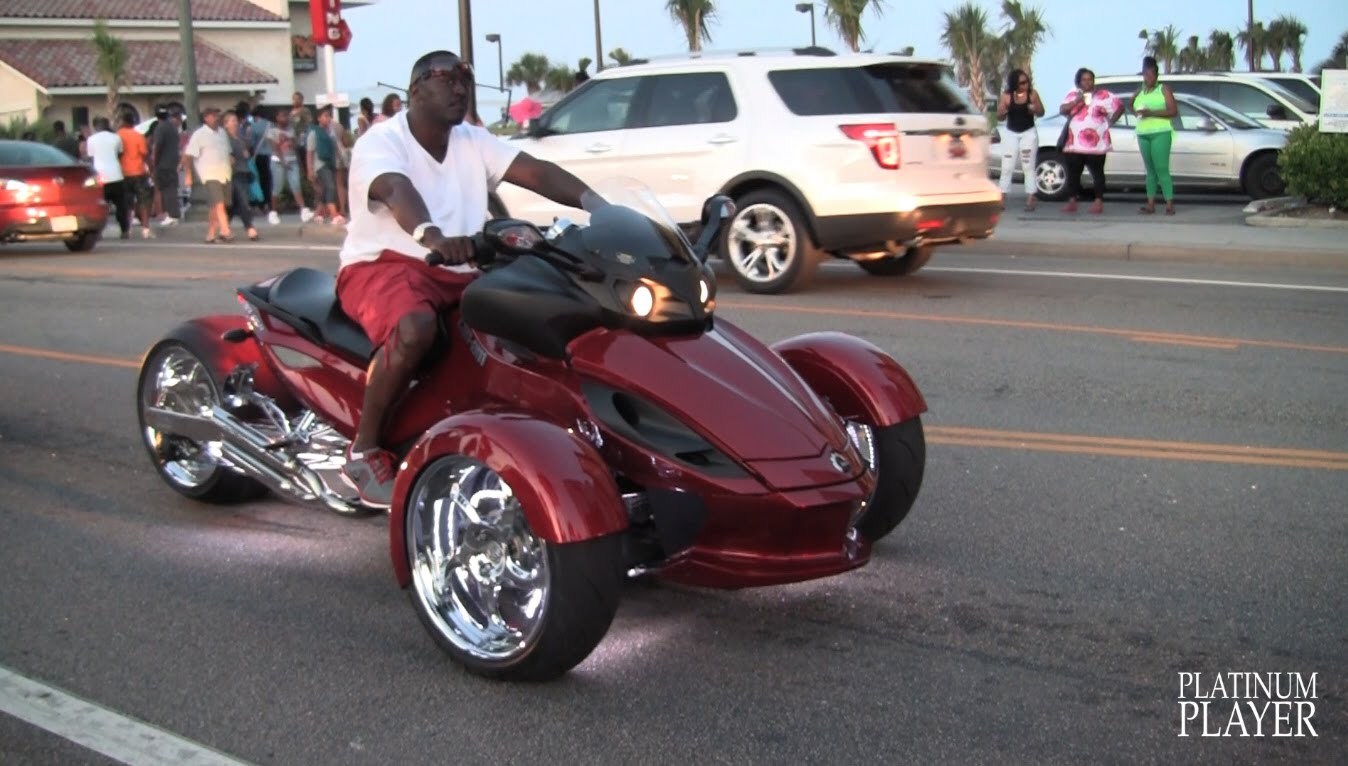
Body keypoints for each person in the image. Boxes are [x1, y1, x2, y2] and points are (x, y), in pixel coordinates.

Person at [335, 49, 595, 506]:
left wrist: (597, 203)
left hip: (461, 267)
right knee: (415, 329)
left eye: (464, 79)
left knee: (536, 316)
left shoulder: (473, 140)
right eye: (445, 78)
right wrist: (429, 234)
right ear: (415, 89)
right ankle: (365, 448)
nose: (459, 87)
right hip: (384, 264)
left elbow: (535, 171)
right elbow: (396, 189)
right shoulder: (382, 141)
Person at [1059, 67, 1124, 214]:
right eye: (1084, 80)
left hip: (1097, 144)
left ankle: (1098, 201)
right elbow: (1062, 110)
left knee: (1097, 173)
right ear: (1079, 82)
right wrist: (1077, 101)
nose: (1087, 82)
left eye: (1090, 79)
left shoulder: (1103, 95)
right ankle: (1072, 201)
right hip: (1074, 144)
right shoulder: (1073, 94)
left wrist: (1110, 122)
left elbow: (1120, 107)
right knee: (1073, 174)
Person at [1131, 56, 1178, 216]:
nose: (1148, 78)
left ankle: (1169, 203)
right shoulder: (1140, 90)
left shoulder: (1163, 89)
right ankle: (1150, 203)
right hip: (1143, 132)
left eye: (1151, 75)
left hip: (1160, 132)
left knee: (1162, 168)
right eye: (1145, 75)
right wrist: (1134, 105)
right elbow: (1131, 107)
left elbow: (1173, 111)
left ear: (1156, 75)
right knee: (1150, 170)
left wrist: (1152, 113)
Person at [996, 68, 1045, 212]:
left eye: (1026, 82)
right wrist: (1002, 112)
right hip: (1011, 133)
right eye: (1022, 83)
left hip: (1028, 133)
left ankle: (1031, 197)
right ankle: (1001, 197)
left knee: (1028, 165)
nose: (1025, 85)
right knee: (1007, 166)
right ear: (1015, 84)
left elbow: (1042, 112)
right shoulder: (1007, 96)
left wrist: (1034, 109)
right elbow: (1000, 116)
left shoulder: (1032, 94)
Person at [183, 106, 234, 243]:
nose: (216, 118)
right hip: (209, 173)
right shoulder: (199, 134)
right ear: (206, 118)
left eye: (217, 115)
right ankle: (225, 229)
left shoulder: (222, 133)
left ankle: (211, 234)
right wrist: (188, 174)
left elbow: (227, 152)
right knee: (219, 203)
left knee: (216, 205)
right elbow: (188, 155)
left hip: (225, 173)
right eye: (213, 116)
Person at [85, 117, 130, 239]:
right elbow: (120, 153)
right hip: (116, 174)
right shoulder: (116, 137)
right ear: (107, 125)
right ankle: (124, 230)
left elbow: (90, 158)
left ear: (96, 127)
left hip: (100, 176)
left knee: (100, 205)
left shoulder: (91, 139)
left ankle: (98, 232)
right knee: (121, 205)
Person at [116, 112, 154, 239]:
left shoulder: (117, 136)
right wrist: (151, 170)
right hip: (138, 172)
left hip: (122, 174)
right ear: (133, 123)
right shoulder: (138, 136)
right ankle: (146, 229)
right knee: (144, 201)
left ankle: (127, 229)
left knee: (126, 203)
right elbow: (144, 154)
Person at [223, 111, 260, 240]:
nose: (235, 123)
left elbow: (247, 152)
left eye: (235, 120)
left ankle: (224, 227)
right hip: (233, 173)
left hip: (243, 171)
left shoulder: (240, 138)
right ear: (226, 124)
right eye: (231, 121)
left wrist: (246, 154)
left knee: (234, 203)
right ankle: (249, 228)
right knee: (243, 200)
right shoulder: (225, 138)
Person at [306, 106, 343, 225]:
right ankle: (333, 214)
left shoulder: (330, 132)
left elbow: (336, 148)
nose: (328, 119)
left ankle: (319, 213)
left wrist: (339, 160)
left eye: (329, 116)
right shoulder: (314, 133)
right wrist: (310, 170)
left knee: (324, 190)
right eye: (325, 116)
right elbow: (309, 152)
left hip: (330, 163)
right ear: (319, 118)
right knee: (330, 187)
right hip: (320, 164)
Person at [151, 108, 182, 225]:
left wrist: (155, 161)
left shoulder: (160, 128)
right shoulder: (173, 128)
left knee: (166, 189)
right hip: (172, 162)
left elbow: (158, 145)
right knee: (172, 188)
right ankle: (173, 213)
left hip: (163, 163)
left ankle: (172, 214)